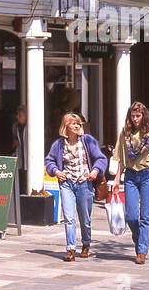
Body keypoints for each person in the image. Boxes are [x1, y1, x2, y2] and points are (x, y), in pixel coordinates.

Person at [110, 101, 149, 265]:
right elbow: (121, 158)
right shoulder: (125, 134)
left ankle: (142, 251)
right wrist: (116, 179)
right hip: (130, 176)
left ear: (143, 116)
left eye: (138, 116)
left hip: (147, 176)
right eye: (133, 116)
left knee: (145, 216)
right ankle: (139, 239)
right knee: (131, 215)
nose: (135, 119)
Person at [45, 112, 107, 261]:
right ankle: (71, 249)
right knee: (69, 217)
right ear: (66, 126)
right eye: (73, 123)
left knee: (85, 219)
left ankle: (86, 243)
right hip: (67, 184)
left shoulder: (88, 140)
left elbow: (100, 158)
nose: (77, 126)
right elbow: (49, 161)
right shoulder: (59, 144)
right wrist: (56, 171)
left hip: (84, 183)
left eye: (78, 123)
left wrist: (95, 171)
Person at [12, 106, 27, 188]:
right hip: (20, 161)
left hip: (29, 161)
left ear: (26, 116)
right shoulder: (15, 127)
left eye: (20, 115)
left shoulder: (31, 127)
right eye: (17, 114)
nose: (17, 117)